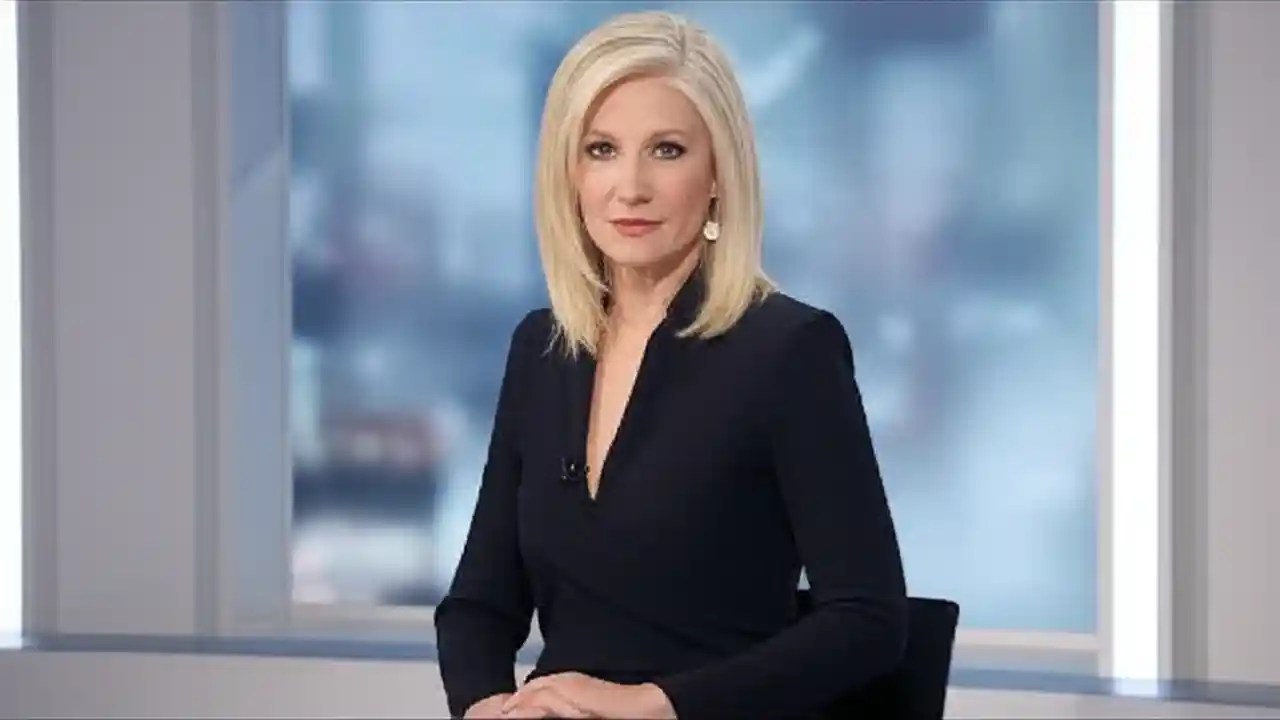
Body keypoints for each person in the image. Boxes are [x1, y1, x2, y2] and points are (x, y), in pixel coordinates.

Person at [433, 11, 908, 719]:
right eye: (601, 149)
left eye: (666, 150)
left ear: (718, 173)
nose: (630, 186)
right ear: (568, 172)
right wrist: (487, 706)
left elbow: (867, 621)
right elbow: (478, 605)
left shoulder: (788, 350)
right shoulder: (543, 348)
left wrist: (653, 704)